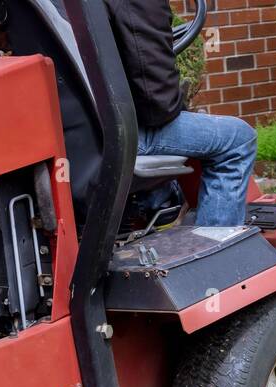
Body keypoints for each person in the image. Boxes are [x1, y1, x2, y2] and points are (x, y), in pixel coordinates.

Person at [104, 0, 256, 227]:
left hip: (73, 132)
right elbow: (158, 105)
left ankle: (158, 206)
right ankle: (214, 255)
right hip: (113, 136)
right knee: (238, 139)